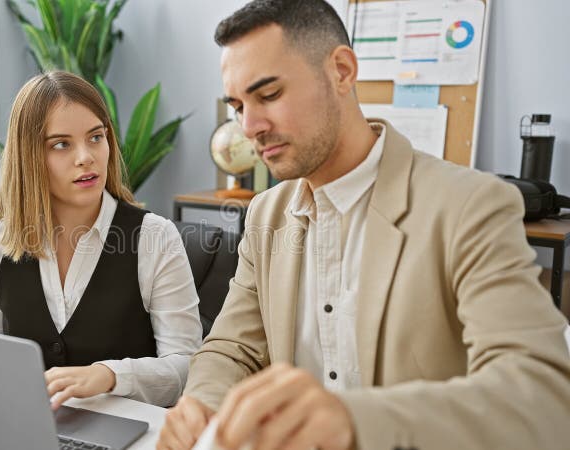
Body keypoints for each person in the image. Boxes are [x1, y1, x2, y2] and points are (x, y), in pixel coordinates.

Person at [157, 1, 570, 449]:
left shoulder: (469, 206)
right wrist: (201, 405)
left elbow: (542, 398)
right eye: (237, 106)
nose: (249, 127)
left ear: (341, 70)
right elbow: (231, 349)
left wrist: (352, 420)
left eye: (269, 95)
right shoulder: (266, 214)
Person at [0, 71, 202, 408]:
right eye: (61, 144)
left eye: (96, 137)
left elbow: (187, 368)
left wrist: (110, 375)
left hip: (132, 433)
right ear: (28, 157)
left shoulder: (155, 237)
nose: (86, 157)